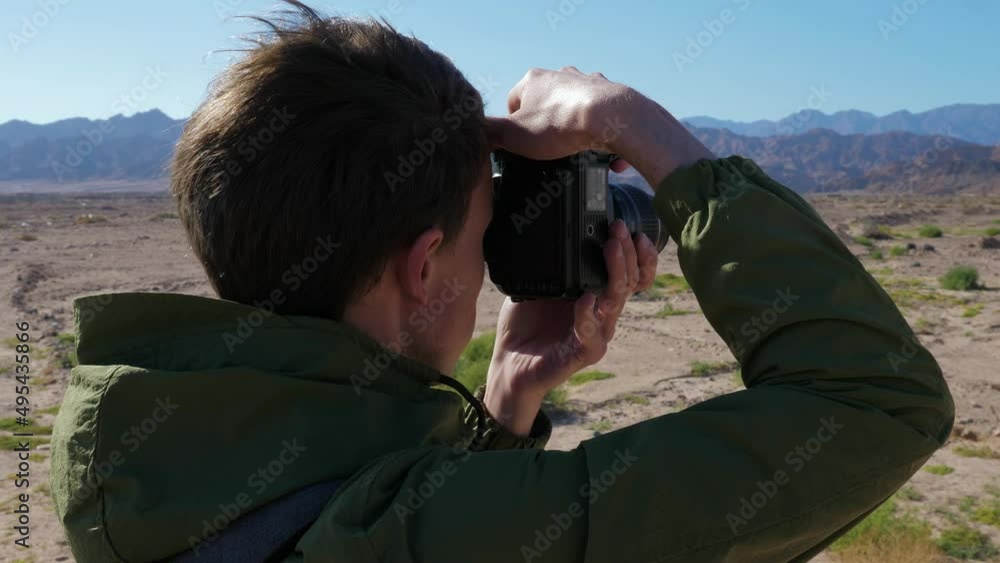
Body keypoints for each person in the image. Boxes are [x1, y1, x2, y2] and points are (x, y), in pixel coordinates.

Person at [50, 2, 954, 562]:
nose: (491, 272)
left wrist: (506, 404)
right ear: (421, 266)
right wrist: (637, 127)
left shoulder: (139, 464)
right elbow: (880, 402)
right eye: (485, 239)